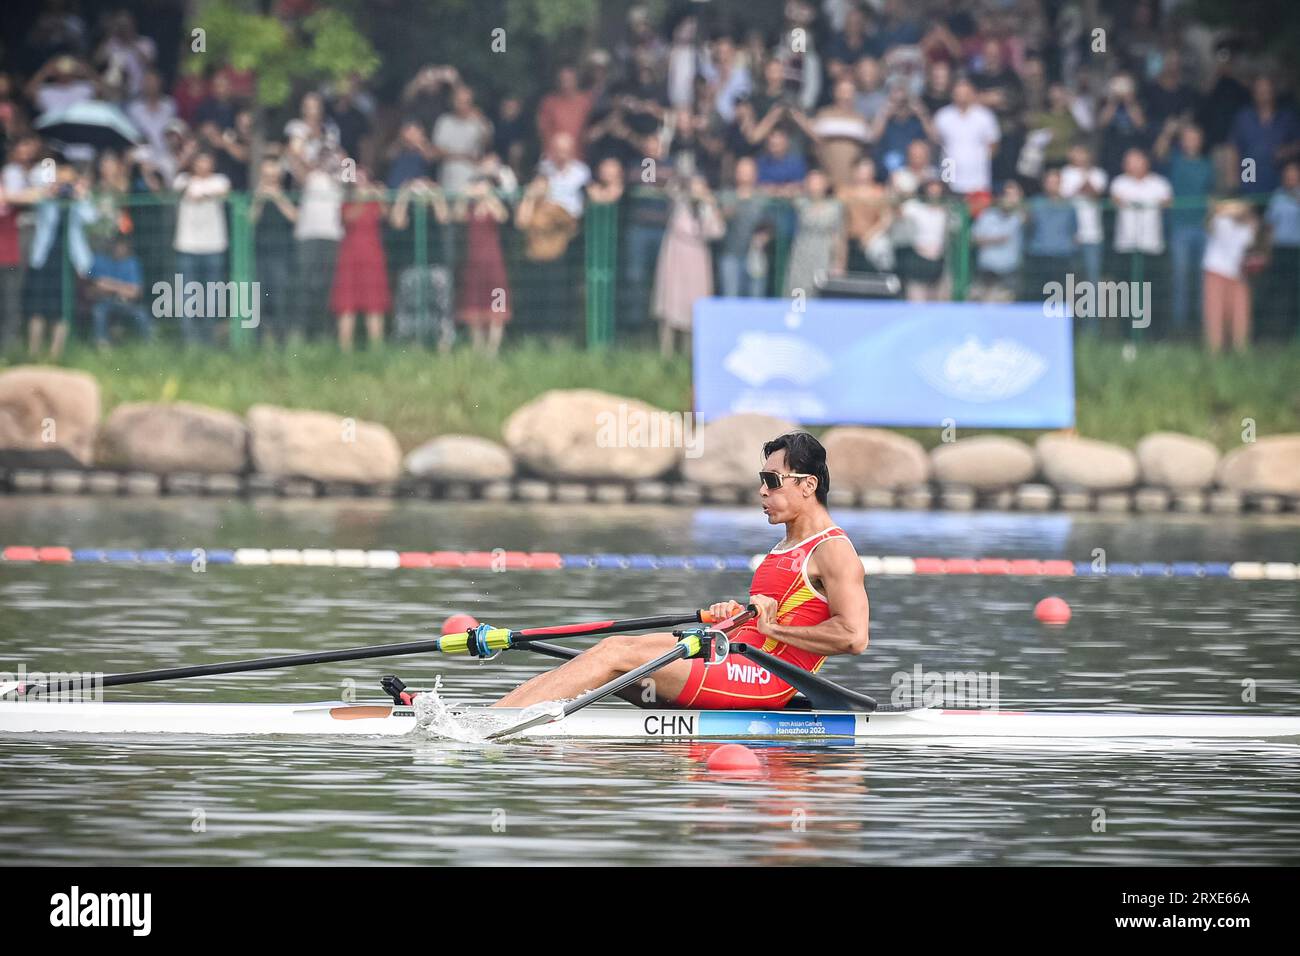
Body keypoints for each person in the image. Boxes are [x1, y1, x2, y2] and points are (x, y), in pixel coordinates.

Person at [493, 432, 869, 711]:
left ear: (808, 485)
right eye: (762, 480)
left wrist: (772, 629)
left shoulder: (832, 549)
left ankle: (493, 726)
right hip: (733, 655)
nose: (761, 491)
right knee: (608, 649)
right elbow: (776, 616)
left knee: (614, 657)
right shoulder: (784, 546)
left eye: (772, 481)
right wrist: (738, 617)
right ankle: (489, 717)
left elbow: (853, 637)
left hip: (765, 680)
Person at [24, 161, 97, 359]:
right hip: (45, 256)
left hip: (68, 258)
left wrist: (80, 197)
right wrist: (50, 192)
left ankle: (55, 354)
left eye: (68, 180)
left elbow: (91, 218)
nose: (64, 183)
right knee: (37, 306)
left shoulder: (79, 195)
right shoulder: (46, 191)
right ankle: (33, 352)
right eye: (61, 178)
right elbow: (34, 199)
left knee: (62, 307)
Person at [652, 174, 723, 356]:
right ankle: (665, 352)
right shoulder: (679, 204)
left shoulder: (707, 207)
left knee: (693, 305)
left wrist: (709, 204)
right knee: (670, 301)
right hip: (675, 257)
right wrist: (684, 184)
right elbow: (670, 188)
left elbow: (716, 232)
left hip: (697, 260)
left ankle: (689, 353)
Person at [172, 150, 230, 344]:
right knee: (187, 295)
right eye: (199, 161)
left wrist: (201, 194)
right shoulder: (182, 180)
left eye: (207, 161)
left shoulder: (220, 180)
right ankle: (189, 340)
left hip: (214, 245)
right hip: (187, 245)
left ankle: (209, 339)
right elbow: (175, 187)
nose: (203, 165)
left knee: (212, 295)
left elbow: (223, 191)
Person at [330, 165, 390, 351]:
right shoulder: (347, 202)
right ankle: (345, 350)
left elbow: (387, 215)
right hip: (350, 256)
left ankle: (376, 349)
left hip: (372, 256)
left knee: (375, 303)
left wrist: (382, 196)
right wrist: (362, 201)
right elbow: (346, 219)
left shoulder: (374, 201)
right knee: (346, 303)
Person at [454, 173, 511, 355]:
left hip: (494, 262)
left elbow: (502, 216)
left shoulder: (493, 204)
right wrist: (464, 196)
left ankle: (492, 349)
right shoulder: (469, 207)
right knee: (473, 305)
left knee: (498, 302)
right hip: (474, 263)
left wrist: (489, 198)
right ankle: (477, 348)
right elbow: (457, 215)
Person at [933, 78, 1000, 214]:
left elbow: (994, 145)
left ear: (973, 94)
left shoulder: (985, 116)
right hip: (950, 175)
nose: (962, 97)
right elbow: (937, 143)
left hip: (977, 180)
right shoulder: (943, 116)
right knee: (952, 218)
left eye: (965, 93)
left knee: (978, 220)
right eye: (958, 93)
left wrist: (977, 160)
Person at [249, 157, 297, 344]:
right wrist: (259, 199)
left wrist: (278, 197)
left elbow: (294, 217)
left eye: (273, 176)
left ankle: (281, 340)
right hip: (260, 252)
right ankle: (257, 341)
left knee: (279, 298)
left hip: (281, 253)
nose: (269, 180)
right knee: (258, 298)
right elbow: (250, 221)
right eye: (266, 176)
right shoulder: (257, 196)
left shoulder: (288, 193)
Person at [1201, 199, 1258, 353]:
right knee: (1215, 312)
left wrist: (1249, 219)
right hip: (1216, 270)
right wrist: (1222, 210)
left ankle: (1241, 349)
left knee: (1241, 313)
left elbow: (1251, 245)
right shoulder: (1220, 220)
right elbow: (1209, 223)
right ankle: (1214, 350)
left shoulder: (1249, 226)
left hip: (1238, 274)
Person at [783, 167, 846, 298]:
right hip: (801, 255)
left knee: (820, 296)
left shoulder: (835, 207)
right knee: (797, 294)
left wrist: (839, 262)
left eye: (818, 182)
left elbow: (839, 237)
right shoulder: (801, 203)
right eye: (811, 181)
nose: (814, 186)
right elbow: (785, 193)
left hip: (823, 255)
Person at [716, 155, 771, 297]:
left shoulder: (763, 198)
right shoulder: (726, 195)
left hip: (755, 255)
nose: (744, 174)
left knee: (755, 299)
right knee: (730, 297)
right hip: (730, 254)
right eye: (741, 170)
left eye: (748, 171)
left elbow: (770, 224)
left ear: (755, 174)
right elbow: (717, 222)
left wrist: (765, 236)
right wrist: (725, 214)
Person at [88, 234, 150, 348]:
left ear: (127, 248)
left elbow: (135, 292)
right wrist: (124, 287)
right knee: (99, 311)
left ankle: (149, 347)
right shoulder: (101, 260)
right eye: (117, 246)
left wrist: (110, 285)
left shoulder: (132, 263)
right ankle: (102, 345)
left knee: (142, 314)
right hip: (106, 301)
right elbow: (96, 286)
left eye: (122, 246)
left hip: (127, 304)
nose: (119, 249)